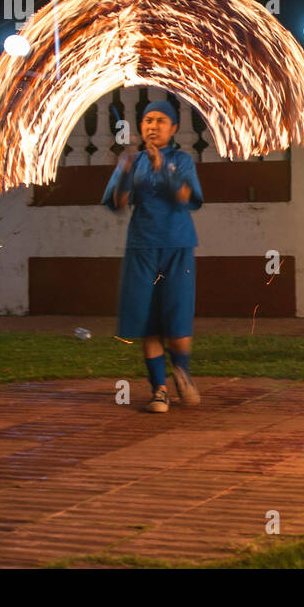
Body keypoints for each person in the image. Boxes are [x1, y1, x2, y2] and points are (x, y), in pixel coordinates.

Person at [102, 99, 205, 412]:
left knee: (177, 321)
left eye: (161, 120)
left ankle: (182, 373)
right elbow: (118, 204)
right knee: (147, 322)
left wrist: (163, 170)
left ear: (173, 128)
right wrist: (123, 172)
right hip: (142, 248)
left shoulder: (182, 160)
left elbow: (188, 198)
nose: (153, 126)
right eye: (148, 120)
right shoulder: (133, 162)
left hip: (177, 247)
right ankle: (159, 390)